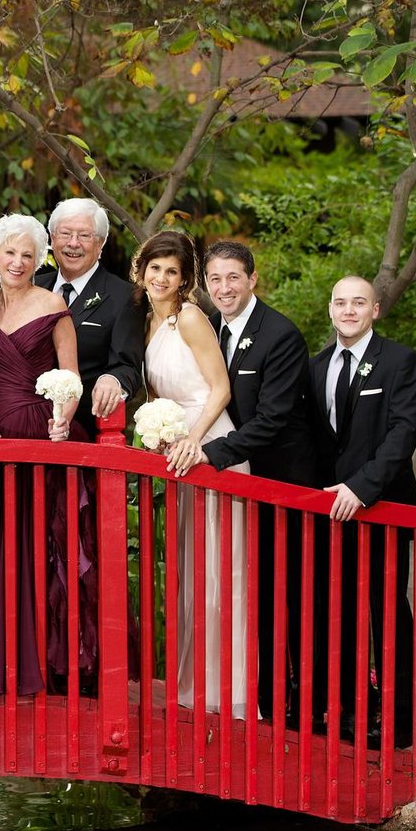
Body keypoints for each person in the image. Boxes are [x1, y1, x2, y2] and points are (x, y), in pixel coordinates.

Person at [165, 240, 318, 725]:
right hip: (234, 480)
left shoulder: (280, 335)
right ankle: (267, 703)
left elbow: (272, 419)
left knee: (289, 593)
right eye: (215, 280)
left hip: (282, 480)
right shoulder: (213, 328)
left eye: (234, 278)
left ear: (253, 279)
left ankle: (303, 710)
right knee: (250, 590)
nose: (224, 288)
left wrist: (207, 452)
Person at [0, 214, 96, 696]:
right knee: (0, 545)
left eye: (27, 255)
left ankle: (47, 660)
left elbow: (70, 375)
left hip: (44, 437)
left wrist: (63, 417)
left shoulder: (54, 305)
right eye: (9, 253)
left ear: (39, 259)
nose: (18, 262)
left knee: (45, 547)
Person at [135, 230, 249, 718]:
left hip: (212, 445)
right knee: (193, 572)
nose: (161, 278)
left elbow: (220, 389)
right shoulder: (150, 324)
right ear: (143, 271)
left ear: (185, 281)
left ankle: (232, 694)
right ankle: (195, 688)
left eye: (172, 271)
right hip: (182, 455)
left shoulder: (190, 319)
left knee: (224, 572)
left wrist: (193, 440)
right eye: (155, 268)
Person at [309, 275, 416, 749]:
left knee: (388, 611)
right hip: (328, 514)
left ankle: (400, 723)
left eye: (359, 303)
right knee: (341, 613)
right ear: (331, 310)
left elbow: (402, 435)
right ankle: (353, 714)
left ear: (375, 310)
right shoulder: (315, 368)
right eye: (341, 303)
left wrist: (362, 488)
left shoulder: (401, 362)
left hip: (385, 508)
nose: (349, 310)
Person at [36, 198, 144, 437]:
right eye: (65, 233)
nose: (73, 243)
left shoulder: (124, 297)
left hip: (83, 429)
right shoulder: (34, 285)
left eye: (84, 235)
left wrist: (112, 380)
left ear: (100, 243)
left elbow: (127, 366)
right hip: (23, 421)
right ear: (52, 238)